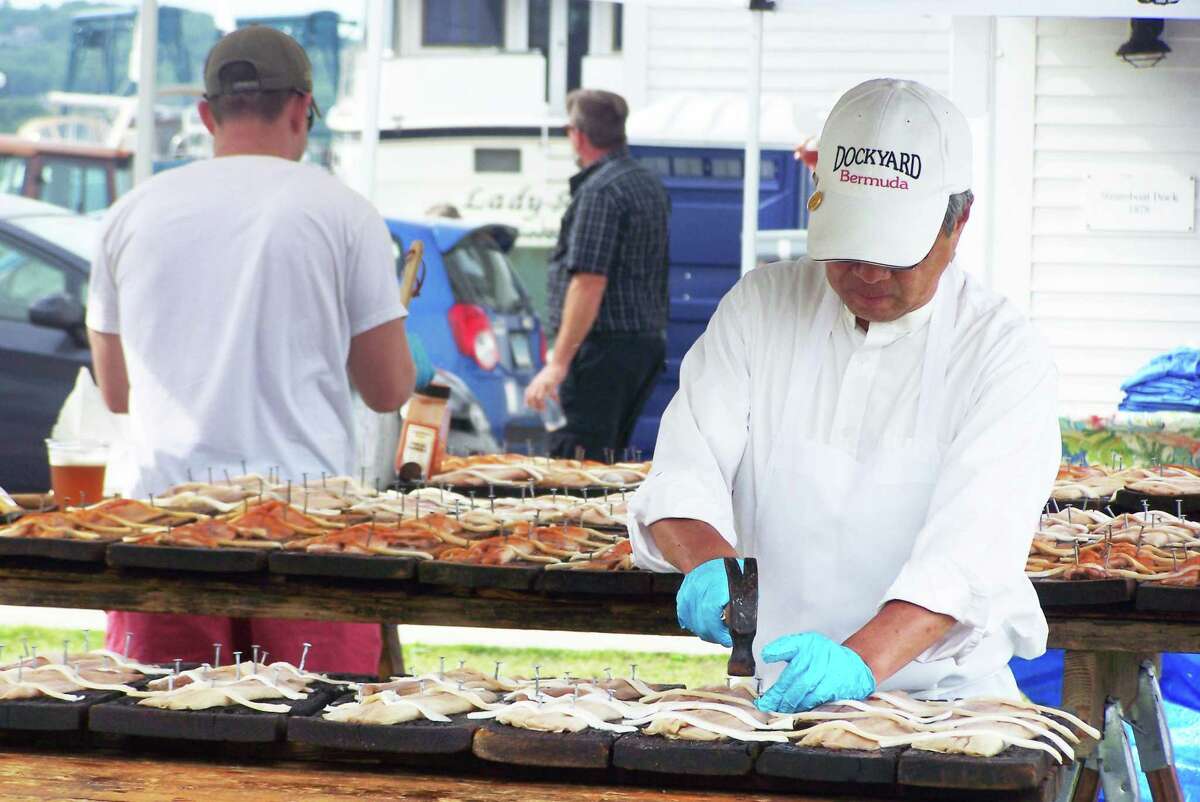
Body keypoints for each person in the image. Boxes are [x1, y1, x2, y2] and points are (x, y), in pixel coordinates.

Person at [629, 79, 1060, 714]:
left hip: (948, 706)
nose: (868, 274)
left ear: (959, 222)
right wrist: (709, 568)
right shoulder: (761, 305)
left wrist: (859, 662)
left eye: (894, 256)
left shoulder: (1002, 351)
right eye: (850, 248)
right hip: (774, 697)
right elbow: (685, 470)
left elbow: (971, 549)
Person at [86, 27, 416, 674]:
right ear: (301, 110)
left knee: (161, 751)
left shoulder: (128, 214)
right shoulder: (344, 213)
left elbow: (116, 393)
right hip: (310, 526)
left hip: (163, 520)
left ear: (207, 115)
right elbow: (388, 389)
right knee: (324, 745)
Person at [525, 89, 670, 460]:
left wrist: (557, 365)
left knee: (574, 468)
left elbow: (588, 282)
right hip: (643, 344)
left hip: (601, 351)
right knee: (606, 464)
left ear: (577, 134)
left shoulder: (600, 192)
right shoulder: (646, 183)